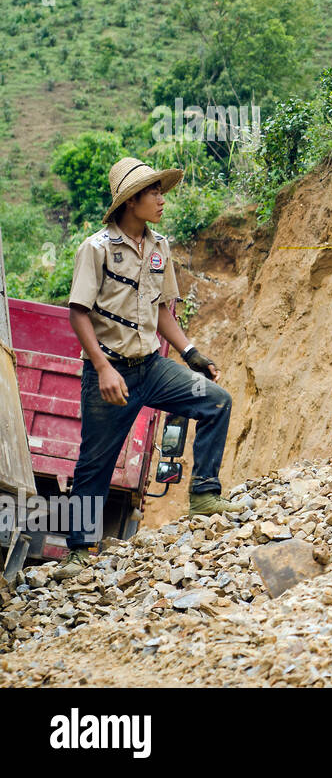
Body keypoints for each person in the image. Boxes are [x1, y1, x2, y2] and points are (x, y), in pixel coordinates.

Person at [53, 159, 238, 581]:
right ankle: (80, 552)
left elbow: (162, 310)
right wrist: (102, 368)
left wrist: (190, 352)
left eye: (160, 191)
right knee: (94, 464)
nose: (161, 199)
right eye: (153, 192)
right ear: (130, 201)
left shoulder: (160, 247)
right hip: (110, 375)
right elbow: (78, 313)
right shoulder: (96, 248)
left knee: (216, 402)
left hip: (152, 368)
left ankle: (205, 494)